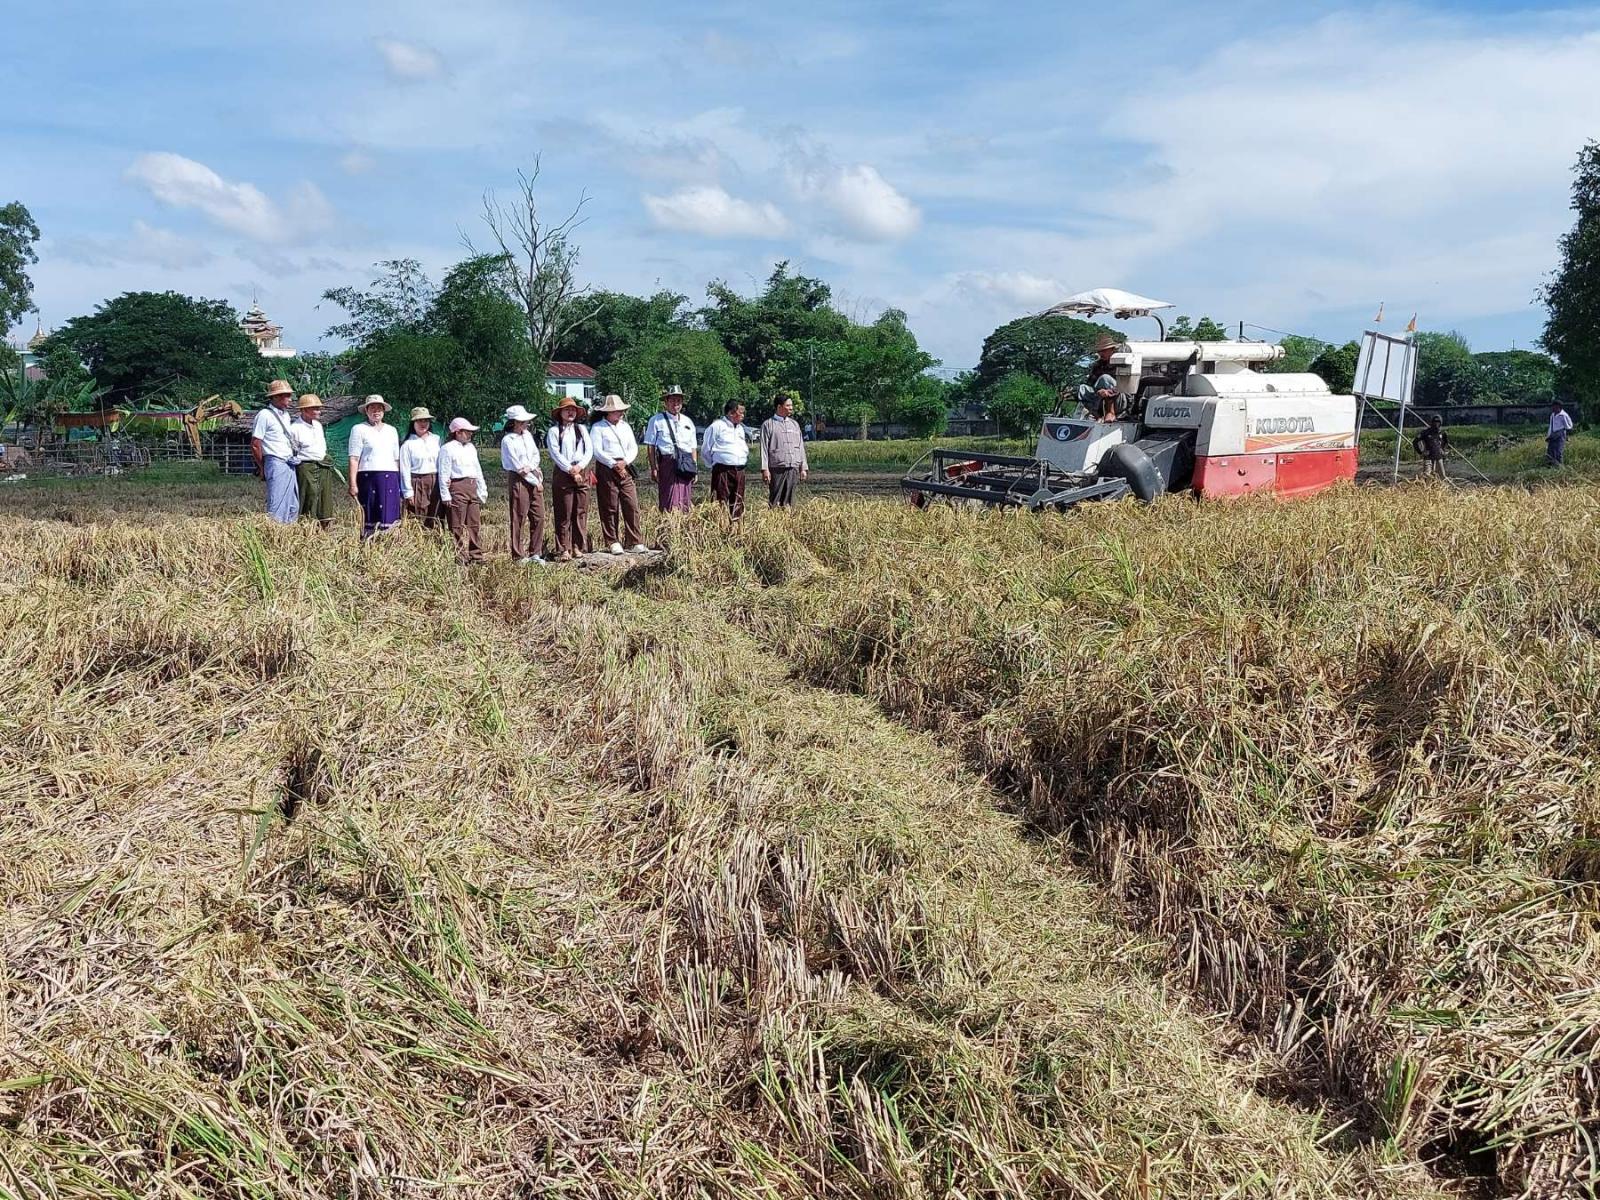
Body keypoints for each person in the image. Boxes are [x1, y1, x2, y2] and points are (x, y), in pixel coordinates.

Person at [589, 394, 646, 553]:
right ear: (607, 412)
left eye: (621, 410)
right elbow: (597, 450)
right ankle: (612, 540)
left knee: (631, 503)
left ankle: (634, 540)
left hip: (625, 465)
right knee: (609, 505)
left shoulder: (625, 426)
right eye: (616, 411)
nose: (620, 413)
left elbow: (633, 447)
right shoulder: (598, 428)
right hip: (607, 467)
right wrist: (613, 464)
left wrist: (624, 462)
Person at [347, 395, 403, 539]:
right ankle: (369, 547)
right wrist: (353, 484)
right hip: (368, 477)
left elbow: (396, 459)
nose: (376, 411)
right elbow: (354, 458)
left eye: (379, 408)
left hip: (390, 477)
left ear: (384, 411)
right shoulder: (358, 429)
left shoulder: (391, 430)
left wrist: (399, 482)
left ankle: (389, 548)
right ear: (366, 411)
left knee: (389, 515)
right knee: (370, 513)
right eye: (372, 408)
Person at [546, 396, 594, 561]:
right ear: (560, 413)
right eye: (567, 410)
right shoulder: (554, 431)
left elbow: (589, 450)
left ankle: (577, 546)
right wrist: (571, 470)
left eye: (573, 410)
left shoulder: (582, 429)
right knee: (564, 511)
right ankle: (563, 548)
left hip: (582, 469)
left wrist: (580, 467)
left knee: (580, 511)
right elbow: (555, 453)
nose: (570, 413)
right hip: (564, 472)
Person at [437, 417, 488, 565]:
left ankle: (476, 554)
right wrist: (445, 493)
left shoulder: (471, 448)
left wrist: (481, 488)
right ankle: (459, 554)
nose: (470, 435)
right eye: (467, 432)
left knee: (474, 523)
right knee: (456, 523)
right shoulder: (447, 448)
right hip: (457, 487)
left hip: (472, 486)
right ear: (457, 432)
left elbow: (477, 469)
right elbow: (444, 472)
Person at [500, 404, 546, 564]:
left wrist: (533, 470)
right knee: (518, 516)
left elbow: (535, 455)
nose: (526, 424)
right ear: (514, 422)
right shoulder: (508, 440)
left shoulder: (527, 435)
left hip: (533, 474)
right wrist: (535, 481)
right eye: (522, 421)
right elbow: (517, 465)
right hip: (519, 479)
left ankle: (535, 552)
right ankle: (518, 555)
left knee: (539, 516)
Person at [250, 379, 300, 523]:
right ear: (276, 397)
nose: (290, 399)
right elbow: (255, 444)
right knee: (277, 504)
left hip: (289, 462)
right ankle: (274, 535)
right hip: (275, 461)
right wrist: (262, 467)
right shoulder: (264, 415)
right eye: (287, 396)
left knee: (293, 504)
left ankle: (288, 536)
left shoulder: (285, 415)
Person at [644, 385, 697, 513]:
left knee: (685, 499)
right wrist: (654, 468)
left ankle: (683, 528)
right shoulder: (656, 420)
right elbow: (651, 446)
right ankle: (669, 527)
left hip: (686, 463)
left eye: (678, 401)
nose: (675, 404)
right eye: (672, 400)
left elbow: (693, 447)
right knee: (669, 498)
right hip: (667, 462)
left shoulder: (687, 422)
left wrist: (694, 468)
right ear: (666, 402)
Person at [288, 393, 337, 529]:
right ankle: (306, 526)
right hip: (306, 466)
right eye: (314, 409)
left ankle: (324, 525)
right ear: (303, 410)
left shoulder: (318, 426)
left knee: (324, 498)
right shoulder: (294, 429)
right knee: (309, 496)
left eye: (318, 408)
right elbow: (293, 451)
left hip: (322, 465)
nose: (318, 411)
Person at [702, 399, 750, 520]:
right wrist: (714, 465)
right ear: (731, 413)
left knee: (738, 503)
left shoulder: (740, 429)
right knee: (720, 502)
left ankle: (736, 529)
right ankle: (719, 529)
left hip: (739, 471)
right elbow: (706, 449)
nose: (743, 416)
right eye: (741, 412)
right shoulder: (717, 426)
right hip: (722, 471)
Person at [760, 395, 809, 508]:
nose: (791, 408)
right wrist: (765, 469)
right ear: (779, 407)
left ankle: (788, 521)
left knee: (790, 501)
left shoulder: (794, 425)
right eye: (788, 405)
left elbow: (800, 447)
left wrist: (803, 468)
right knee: (775, 500)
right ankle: (774, 521)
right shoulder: (768, 425)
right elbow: (763, 448)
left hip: (793, 467)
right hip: (777, 468)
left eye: (791, 405)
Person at [399, 407, 443, 530]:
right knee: (420, 512)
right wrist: (408, 491)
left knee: (436, 511)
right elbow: (404, 470)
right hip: (418, 481)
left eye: (426, 421)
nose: (423, 424)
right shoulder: (407, 444)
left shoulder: (436, 439)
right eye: (419, 421)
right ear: (413, 423)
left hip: (436, 480)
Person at [1077, 334, 1123, 422]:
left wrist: (1108, 392)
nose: (1101, 353)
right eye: (1100, 351)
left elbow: (1124, 386)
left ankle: (1110, 412)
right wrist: (1098, 391)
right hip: (1099, 397)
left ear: (1112, 350)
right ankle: (1095, 414)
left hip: (1118, 396)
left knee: (1105, 378)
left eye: (1104, 350)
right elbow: (1090, 384)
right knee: (1082, 388)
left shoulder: (1121, 365)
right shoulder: (1098, 365)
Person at [1412, 414, 1449, 480]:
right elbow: (1415, 442)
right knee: (1427, 476)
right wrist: (1421, 452)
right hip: (1428, 458)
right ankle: (1426, 489)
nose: (1436, 424)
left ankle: (1439, 488)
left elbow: (1446, 442)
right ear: (1432, 422)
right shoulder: (1426, 432)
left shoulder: (1442, 433)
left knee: (1442, 476)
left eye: (1438, 422)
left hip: (1438, 458)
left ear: (1440, 423)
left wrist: (1443, 450)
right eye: (1435, 422)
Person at [1547, 401, 1574, 466]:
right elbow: (1551, 426)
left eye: (1554, 407)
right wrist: (1548, 436)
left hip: (1560, 434)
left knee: (1558, 451)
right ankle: (1550, 466)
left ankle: (1560, 467)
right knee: (1550, 451)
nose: (1552, 408)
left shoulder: (1563, 415)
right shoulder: (1552, 415)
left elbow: (1569, 426)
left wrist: (1566, 434)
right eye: (1552, 407)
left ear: (1558, 407)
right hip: (1553, 434)